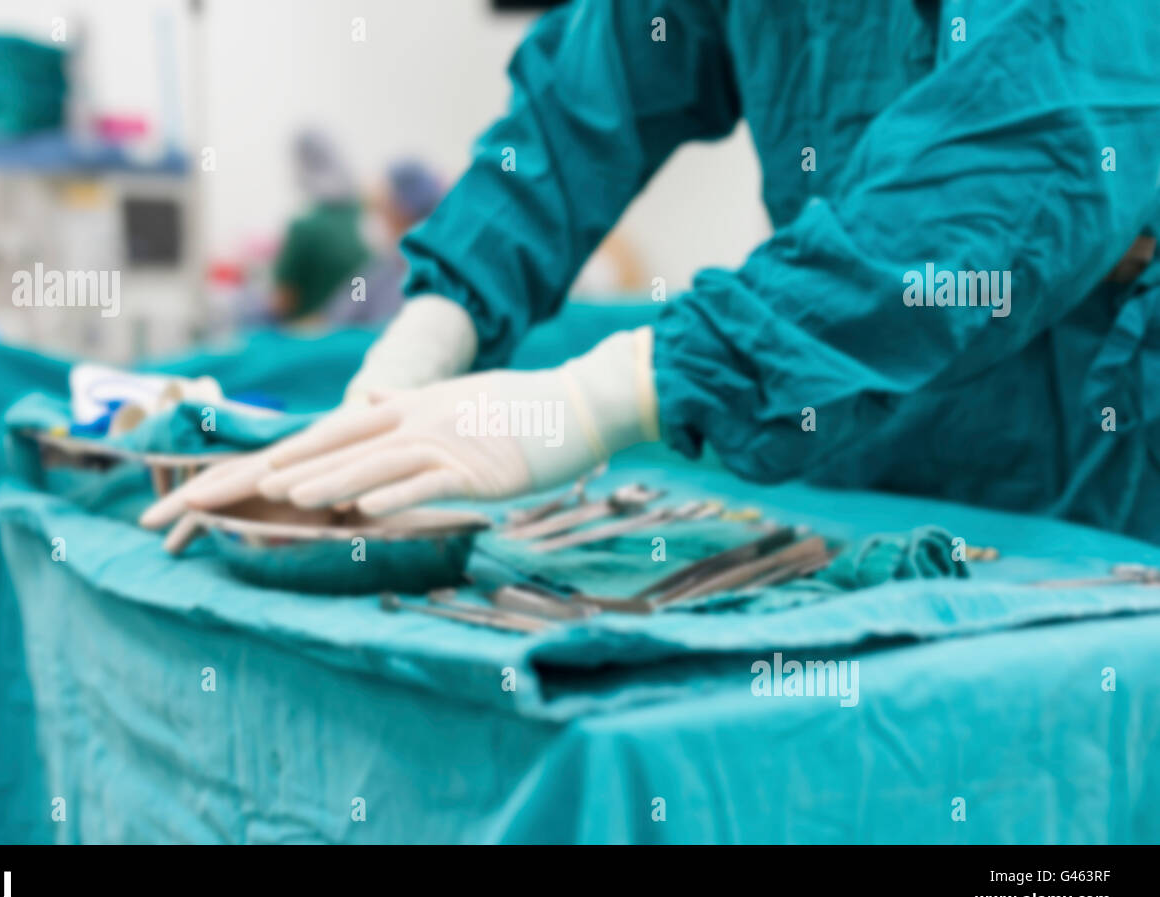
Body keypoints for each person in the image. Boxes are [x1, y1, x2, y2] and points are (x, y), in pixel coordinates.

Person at [144, 0, 1160, 546]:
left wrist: (610, 394)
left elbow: (1001, 180)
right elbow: (590, 99)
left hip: (1084, 503)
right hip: (853, 475)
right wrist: (431, 327)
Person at [320, 159, 446, 328]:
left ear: (403, 211)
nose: (377, 218)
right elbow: (341, 317)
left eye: (381, 209)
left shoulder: (439, 275)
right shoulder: (374, 275)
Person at [270, 130, 370, 320]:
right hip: (358, 336)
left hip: (311, 341)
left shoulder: (305, 230)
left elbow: (282, 301)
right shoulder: (365, 220)